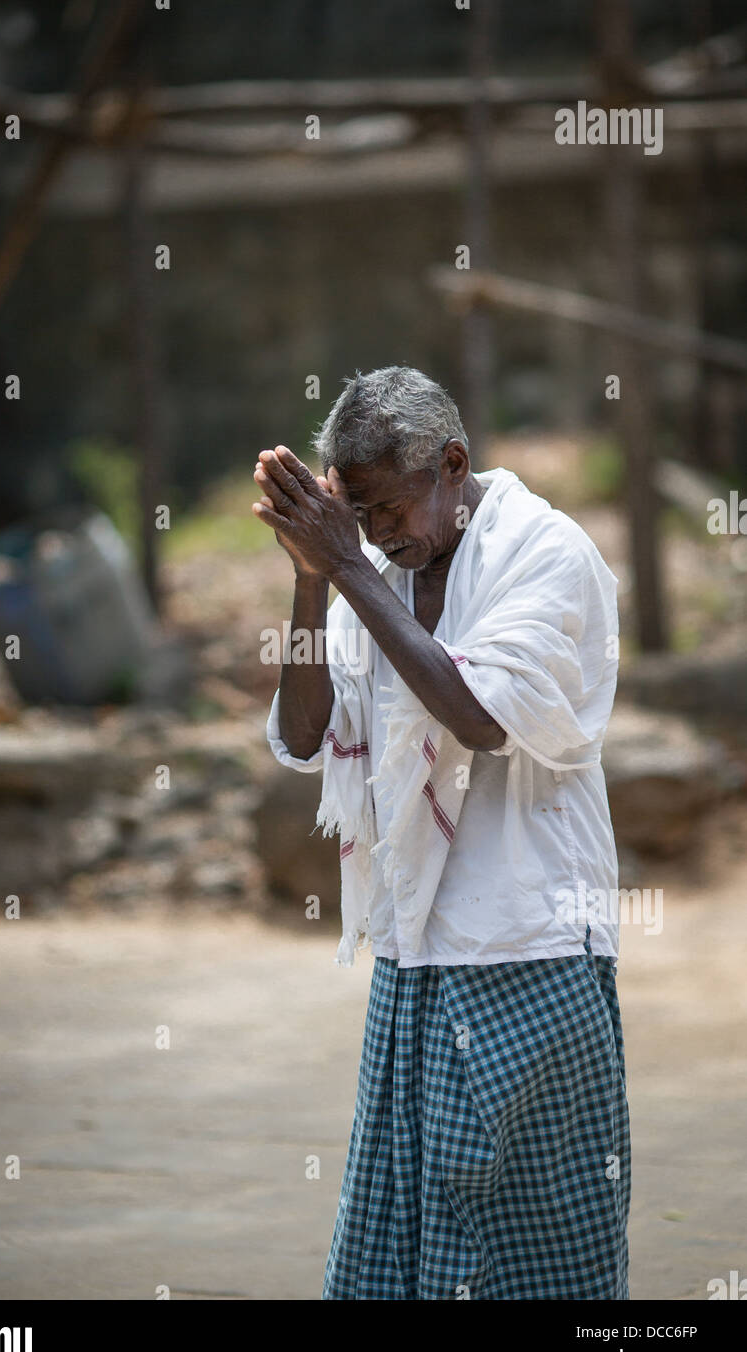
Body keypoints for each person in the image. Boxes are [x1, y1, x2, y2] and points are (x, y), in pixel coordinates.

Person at [254, 366, 630, 1301]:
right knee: (401, 1249)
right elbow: (304, 736)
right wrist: (313, 581)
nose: (377, 535)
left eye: (386, 510)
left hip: (529, 950)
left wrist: (345, 566)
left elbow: (478, 716)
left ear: (452, 465)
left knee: (533, 1253)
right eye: (358, 517)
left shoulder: (548, 552)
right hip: (414, 955)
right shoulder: (373, 575)